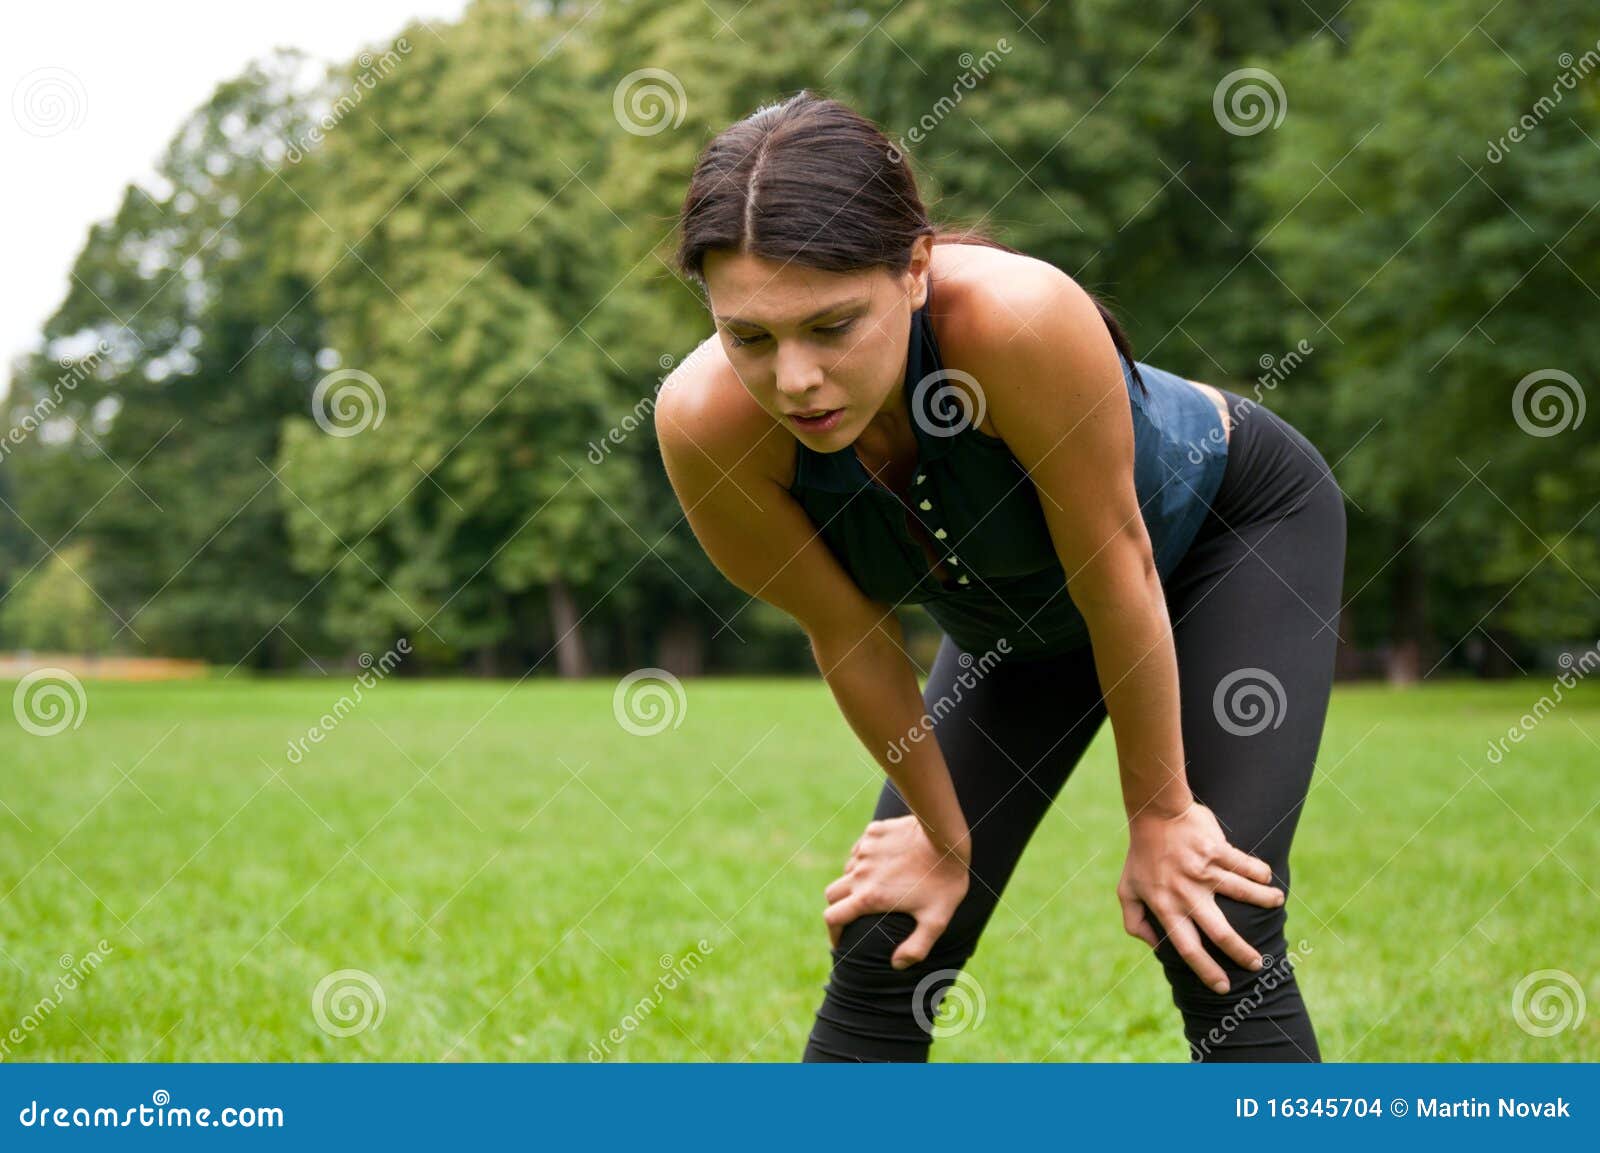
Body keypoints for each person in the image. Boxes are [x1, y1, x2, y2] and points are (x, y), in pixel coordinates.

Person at [654, 91, 1346, 1062]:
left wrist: (1157, 812)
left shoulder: (1017, 321)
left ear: (916, 267)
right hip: (1020, 622)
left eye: (833, 325)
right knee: (890, 934)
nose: (796, 379)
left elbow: (1117, 567)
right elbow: (851, 634)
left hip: (1225, 536)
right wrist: (941, 838)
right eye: (751, 337)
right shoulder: (706, 426)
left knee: (1208, 913)